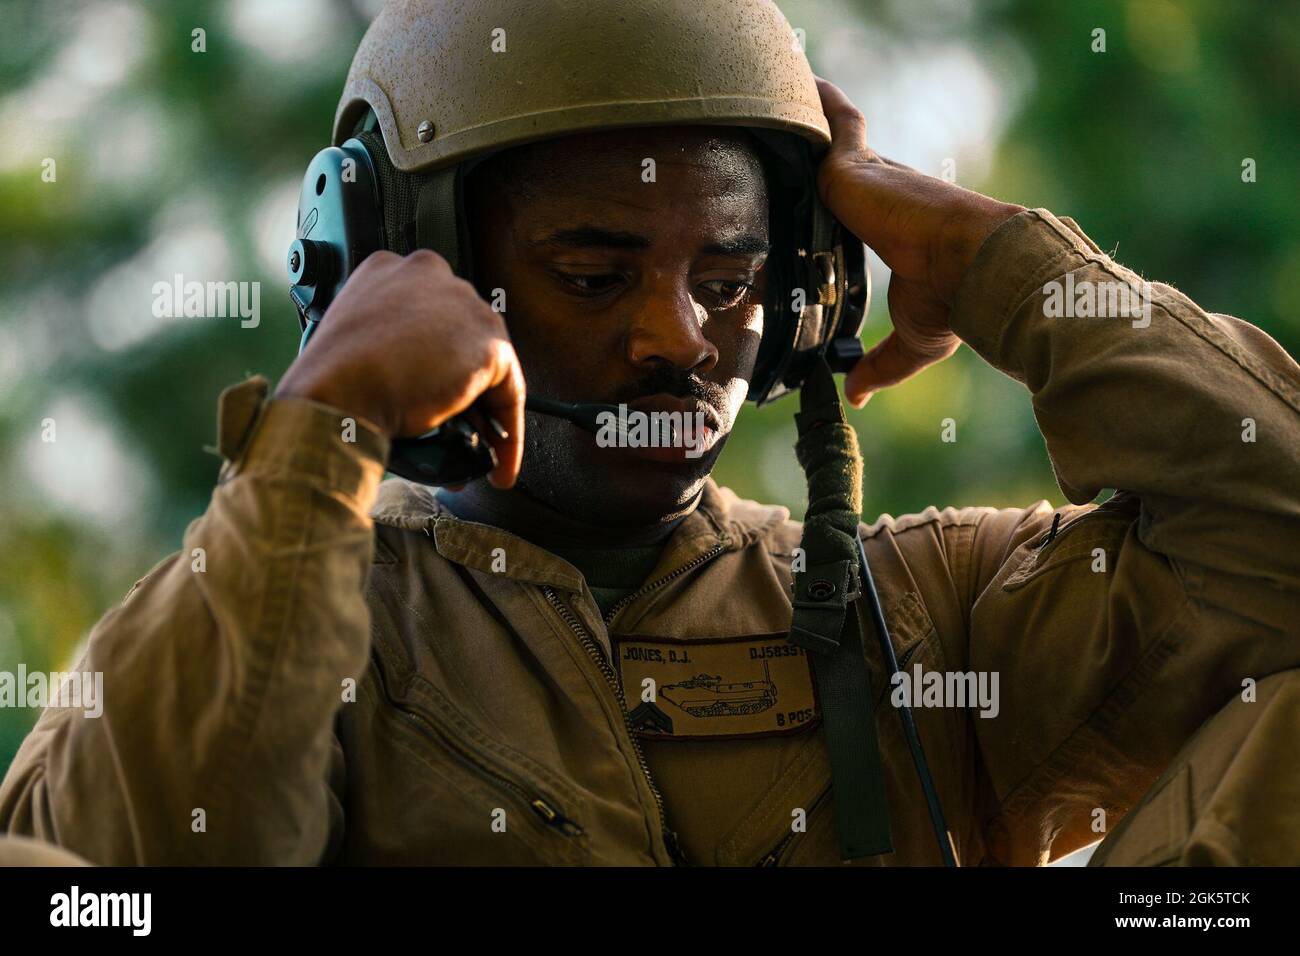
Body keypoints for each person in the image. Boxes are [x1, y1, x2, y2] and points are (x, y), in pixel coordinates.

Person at [2, 0, 1296, 866]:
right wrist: (321, 432)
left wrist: (995, 258)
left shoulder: (927, 617)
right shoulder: (289, 618)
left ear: (804, 300)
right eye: (592, 269)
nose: (679, 338)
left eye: (730, 281)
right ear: (412, 264)